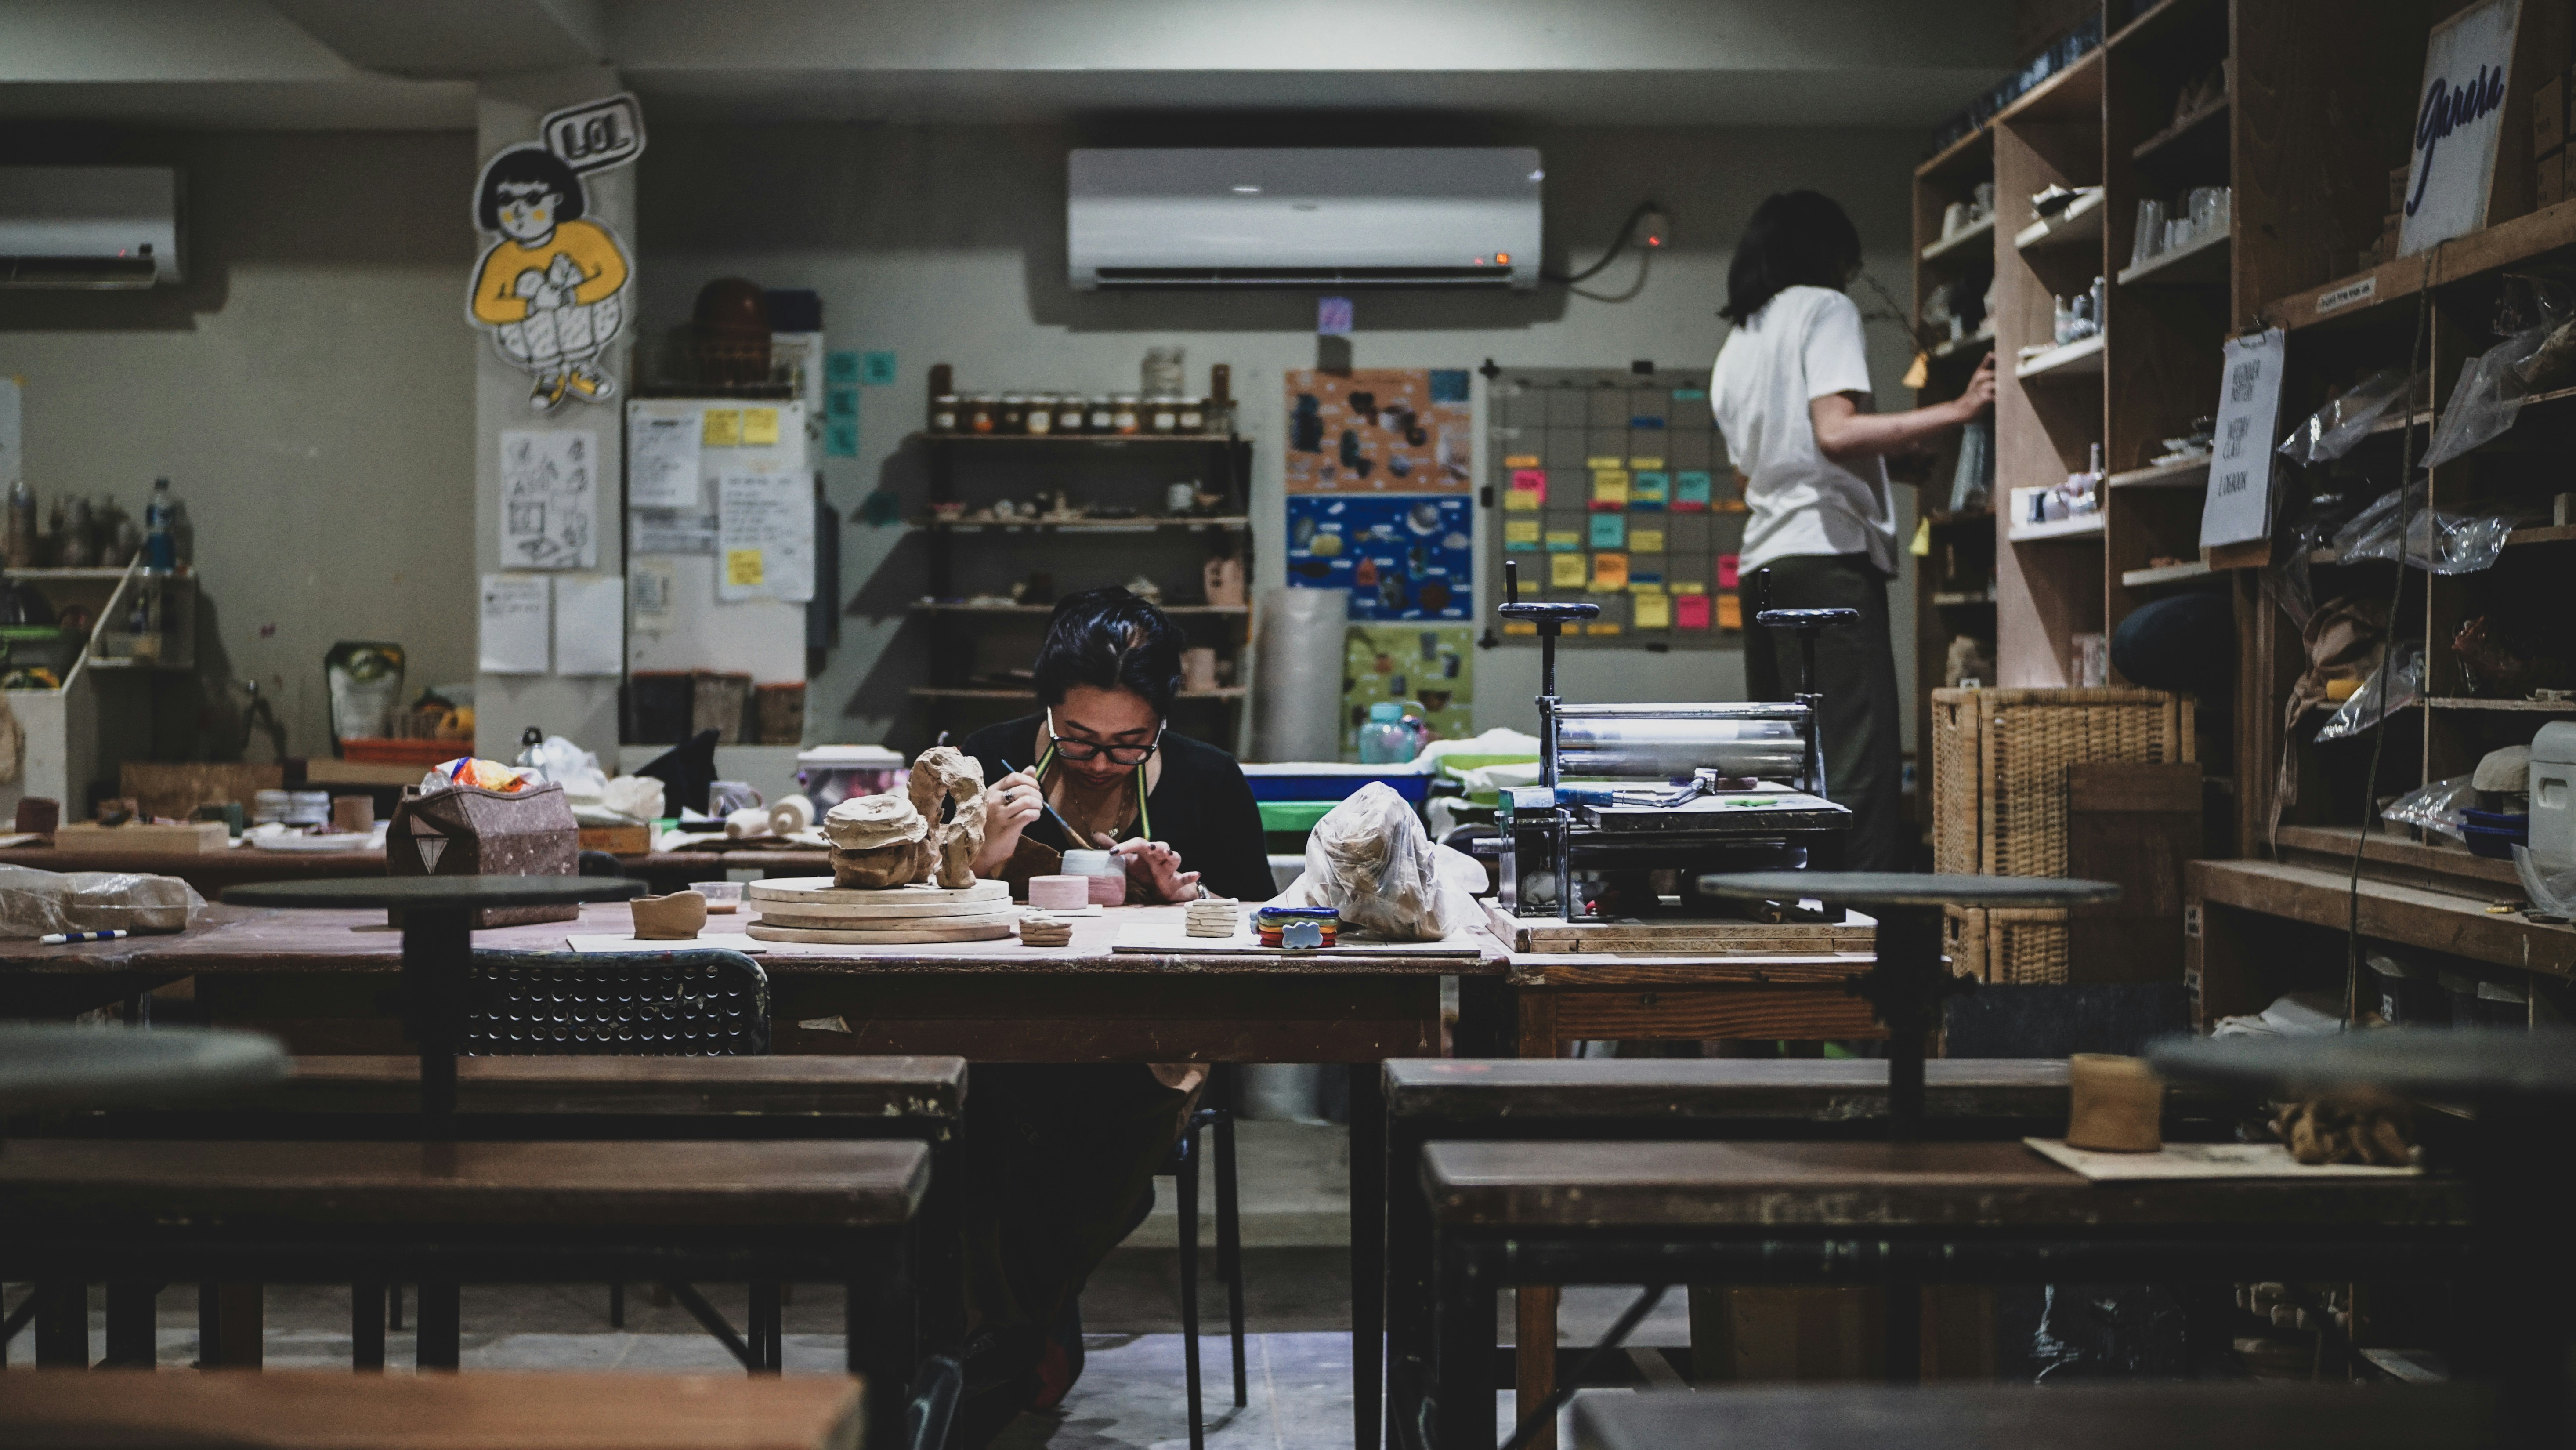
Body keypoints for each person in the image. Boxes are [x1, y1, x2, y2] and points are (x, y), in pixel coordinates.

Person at [947, 587, 1271, 1439]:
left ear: (1162, 722)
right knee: (965, 1122)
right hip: (996, 1034)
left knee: (1106, 1120)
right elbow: (908, 916)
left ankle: (998, 1348)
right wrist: (974, 864)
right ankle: (1017, 1331)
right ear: (1044, 709)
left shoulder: (1205, 781)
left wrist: (1180, 905)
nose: (1098, 764)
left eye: (1128, 745)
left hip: (1150, 1048)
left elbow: (1271, 935)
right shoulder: (980, 765)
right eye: (1078, 740)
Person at [1711, 189, 1996, 871]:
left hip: (1765, 568)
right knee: (1856, 766)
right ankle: (1868, 952)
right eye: (1847, 261)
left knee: (1789, 765)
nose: (1850, 275)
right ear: (1827, 254)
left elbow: (1757, 477)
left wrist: (1889, 459)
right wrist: (1959, 410)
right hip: (1827, 561)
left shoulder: (1739, 342)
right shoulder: (1825, 308)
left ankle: (1802, 937)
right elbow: (1834, 434)